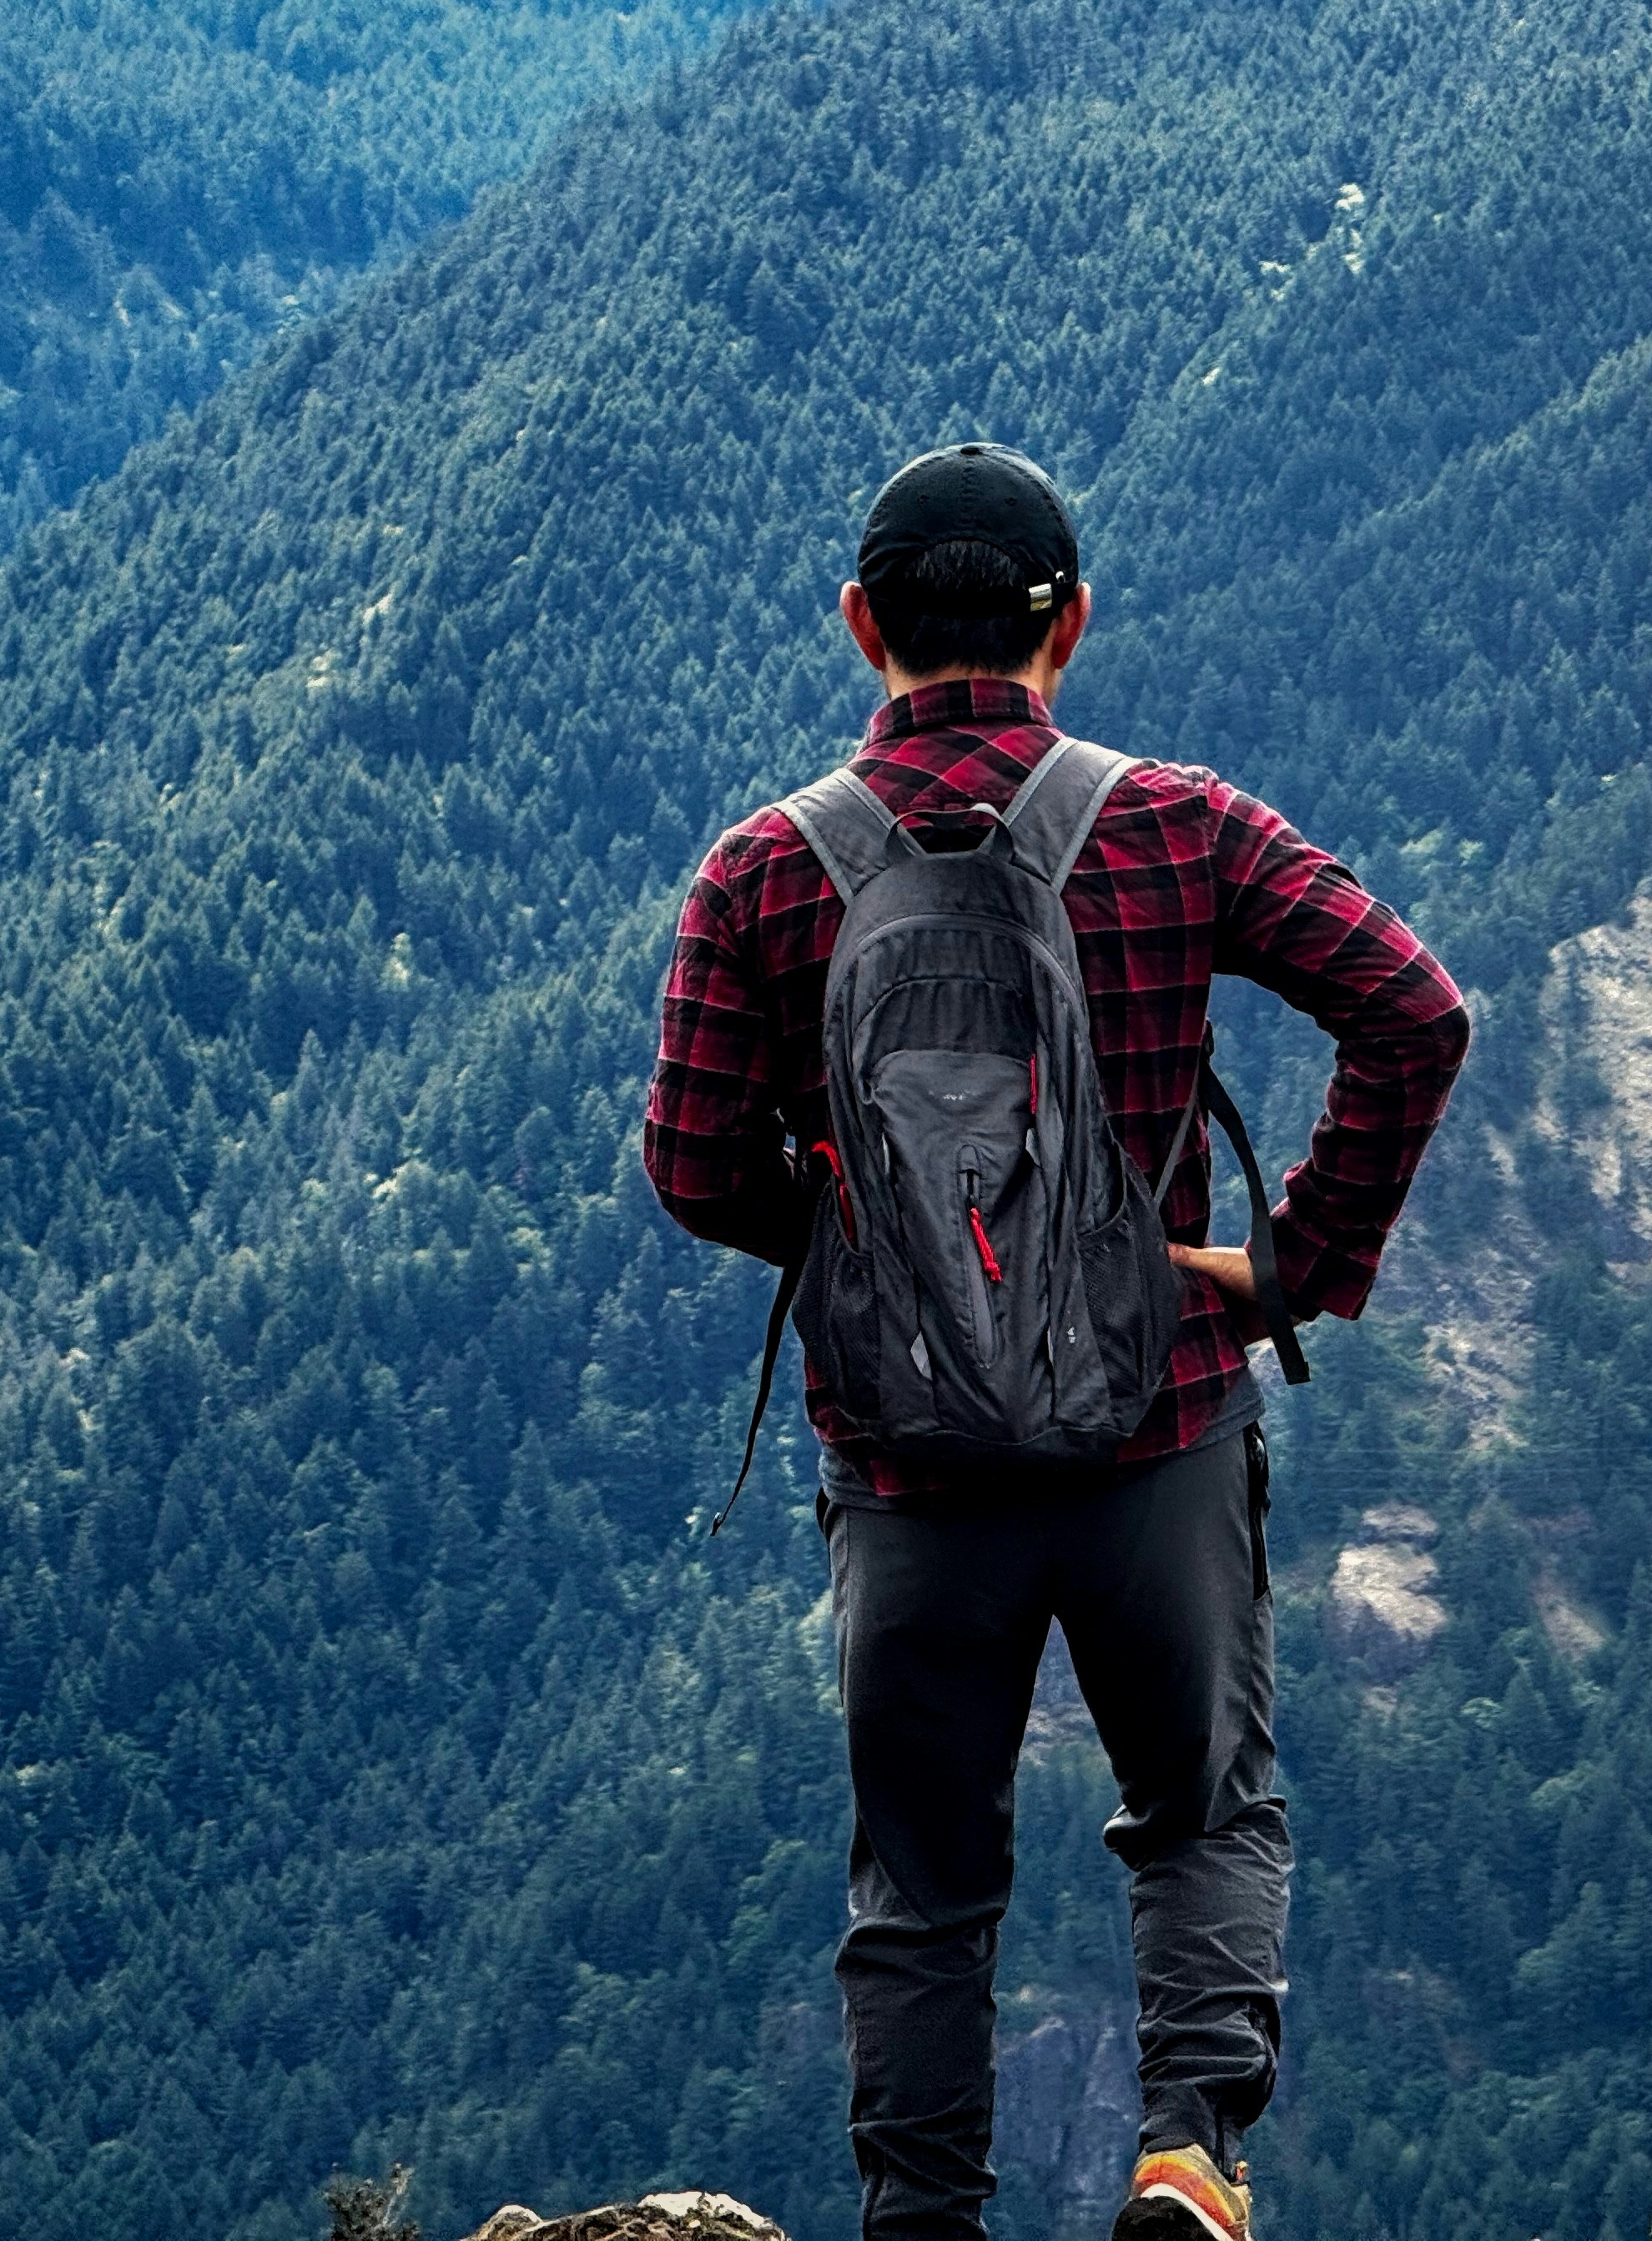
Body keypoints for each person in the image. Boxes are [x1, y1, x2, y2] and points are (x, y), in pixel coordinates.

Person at [642, 444, 1469, 2241]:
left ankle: (926, 2224)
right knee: (1202, 1815)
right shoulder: (1177, 825)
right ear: (1069, 628)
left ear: (860, 628)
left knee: (925, 1900)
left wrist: (872, 1248)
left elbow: (693, 1156)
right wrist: (1284, 1267)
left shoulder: (762, 878)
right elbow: (1415, 1013)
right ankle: (1188, 2151)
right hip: (1154, 1426)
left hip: (909, 1474)